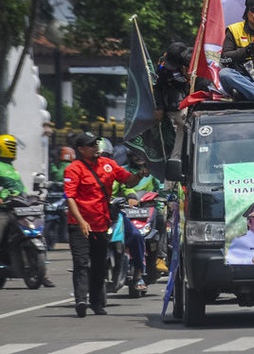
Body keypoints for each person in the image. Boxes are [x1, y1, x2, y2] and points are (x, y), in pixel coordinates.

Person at [64, 132, 149, 317]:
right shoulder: (73, 169)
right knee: (80, 263)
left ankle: (96, 303)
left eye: (96, 143)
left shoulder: (109, 165)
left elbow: (128, 179)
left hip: (102, 224)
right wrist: (81, 222)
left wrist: (141, 174)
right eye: (90, 144)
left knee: (99, 265)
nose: (95, 147)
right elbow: (70, 198)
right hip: (79, 225)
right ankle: (81, 300)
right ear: (81, 149)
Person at [0, 134, 55, 288]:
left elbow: (19, 189)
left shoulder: (11, 168)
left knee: (36, 232)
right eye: (10, 146)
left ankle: (42, 272)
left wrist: (31, 198)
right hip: (3, 210)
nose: (13, 149)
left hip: (17, 208)